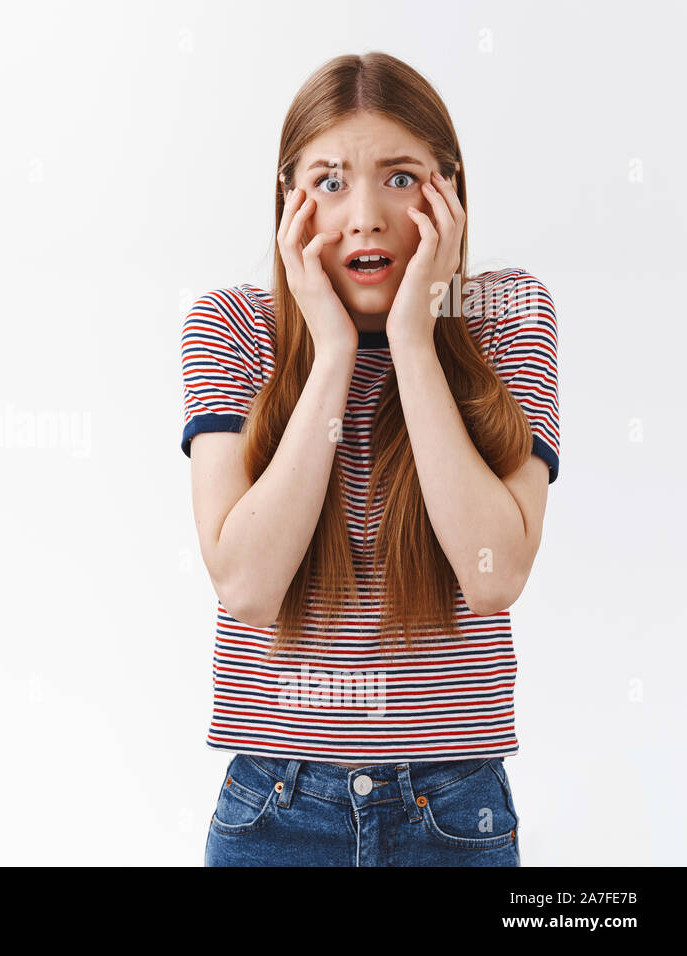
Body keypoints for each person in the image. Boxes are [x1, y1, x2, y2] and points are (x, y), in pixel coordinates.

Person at [180, 52, 559, 866]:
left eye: (399, 178)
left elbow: (494, 574)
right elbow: (246, 585)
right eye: (328, 181)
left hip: (453, 810)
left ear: (448, 191)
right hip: (275, 811)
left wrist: (418, 340)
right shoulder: (232, 329)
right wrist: (330, 357)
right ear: (288, 201)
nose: (363, 216)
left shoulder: (509, 315)